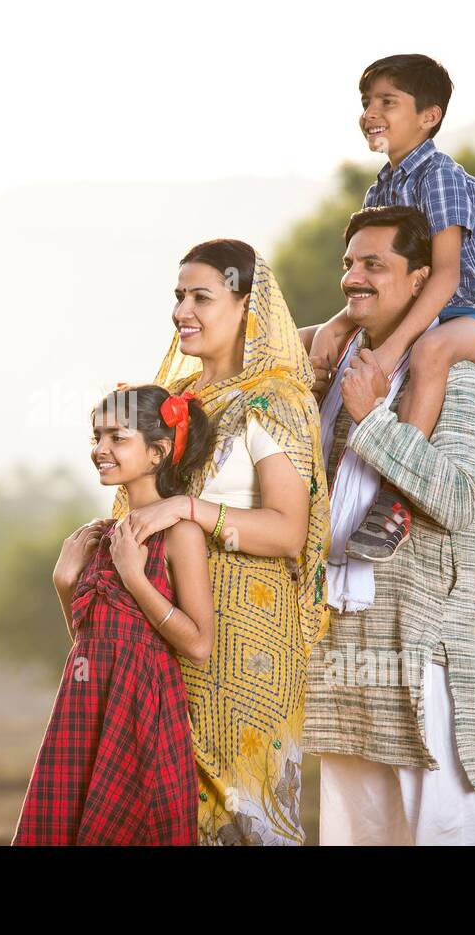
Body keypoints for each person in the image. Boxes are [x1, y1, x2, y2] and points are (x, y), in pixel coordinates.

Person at [301, 205, 475, 845]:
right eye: (348, 264)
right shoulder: (331, 382)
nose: (352, 278)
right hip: (341, 653)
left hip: (425, 653)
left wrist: (375, 423)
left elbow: (459, 500)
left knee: (449, 832)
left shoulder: (466, 385)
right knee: (355, 835)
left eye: (373, 265)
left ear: (422, 279)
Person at [114, 240, 331, 845]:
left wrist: (185, 507)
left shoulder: (274, 401)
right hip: (176, 632)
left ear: (246, 308)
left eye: (200, 297)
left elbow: (288, 532)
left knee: (242, 822)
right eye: (179, 296)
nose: (183, 309)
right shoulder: (176, 402)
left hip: (250, 647)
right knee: (168, 816)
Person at [306, 54, 475, 564]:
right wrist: (333, 328)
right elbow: (374, 275)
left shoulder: (441, 177)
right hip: (430, 311)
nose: (371, 113)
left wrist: (387, 356)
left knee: (430, 352)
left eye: (388, 101)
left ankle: (396, 499)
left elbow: (445, 275)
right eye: (366, 103)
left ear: (429, 117)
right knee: (308, 337)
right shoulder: (380, 187)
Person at [12, 383, 216, 845]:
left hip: (141, 713)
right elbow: (92, 644)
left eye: (116, 438)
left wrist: (135, 577)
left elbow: (200, 645)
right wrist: (64, 584)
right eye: (96, 438)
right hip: (85, 706)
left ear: (158, 451)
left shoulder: (180, 532)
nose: (100, 450)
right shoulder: (100, 534)